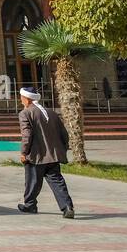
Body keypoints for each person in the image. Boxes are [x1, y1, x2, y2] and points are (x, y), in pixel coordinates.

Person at [17, 86, 75, 218]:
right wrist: (62, 149)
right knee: (57, 181)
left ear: (27, 99)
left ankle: (30, 205)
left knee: (32, 181)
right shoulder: (52, 112)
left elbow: (27, 135)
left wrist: (24, 153)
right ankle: (67, 206)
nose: (21, 101)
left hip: (36, 155)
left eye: (22, 98)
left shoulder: (25, 113)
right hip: (53, 156)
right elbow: (64, 134)